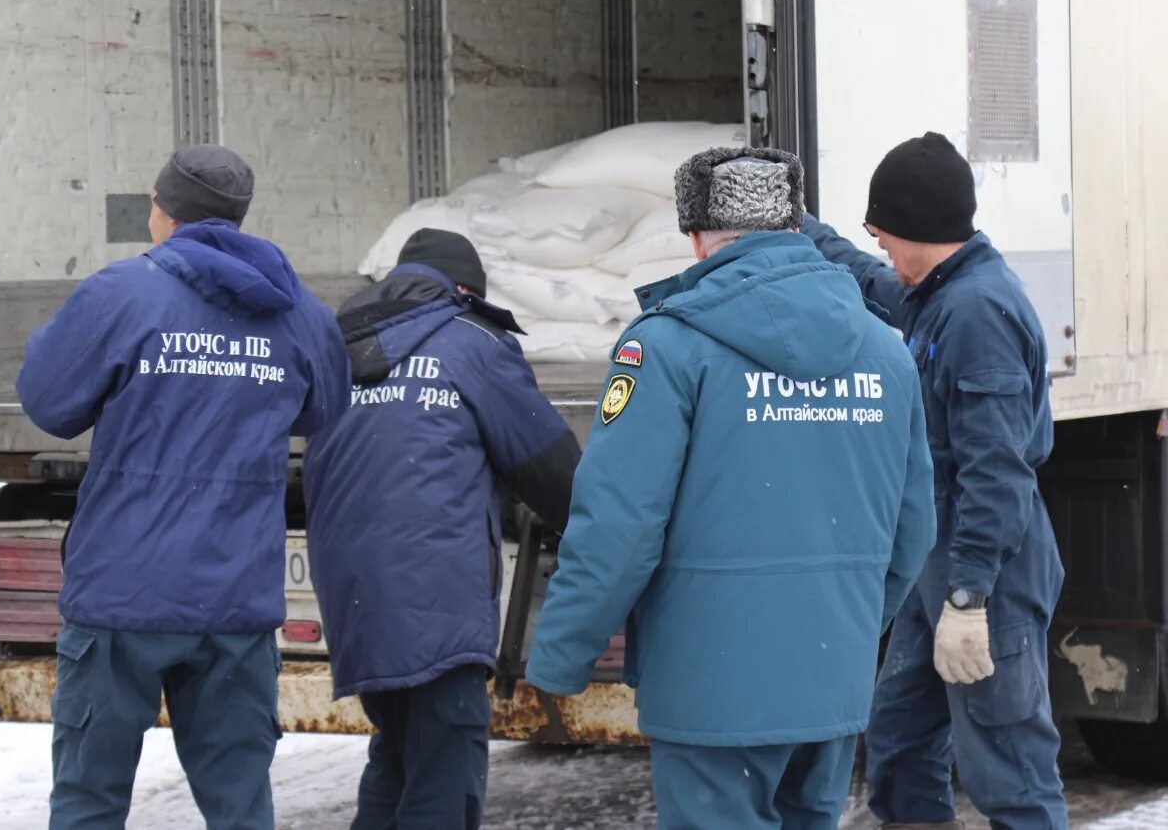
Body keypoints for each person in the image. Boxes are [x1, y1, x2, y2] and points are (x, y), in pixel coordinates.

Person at [524, 147, 937, 829]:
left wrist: (563, 652)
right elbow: (912, 526)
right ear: (795, 227)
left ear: (696, 238)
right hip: (830, 682)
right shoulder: (886, 352)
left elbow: (619, 527)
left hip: (709, 691)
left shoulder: (665, 349)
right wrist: (848, 620)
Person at [17, 144, 350, 830]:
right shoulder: (298, 312)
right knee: (240, 807)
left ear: (162, 209)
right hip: (233, 602)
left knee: (88, 802)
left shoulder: (121, 294)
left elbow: (48, 402)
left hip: (122, 597)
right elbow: (324, 410)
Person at [802, 131, 1067, 830]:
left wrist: (970, 597)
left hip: (988, 566)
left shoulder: (976, 315)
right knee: (900, 741)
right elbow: (869, 281)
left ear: (917, 227)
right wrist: (798, 224)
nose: (881, 246)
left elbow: (996, 472)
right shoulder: (939, 292)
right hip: (938, 559)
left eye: (883, 232)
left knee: (1008, 761)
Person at [302, 228, 581, 829]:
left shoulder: (337, 344)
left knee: (399, 756)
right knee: (446, 776)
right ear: (464, 290)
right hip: (437, 599)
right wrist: (604, 536)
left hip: (354, 599)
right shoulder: (473, 342)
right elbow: (549, 468)